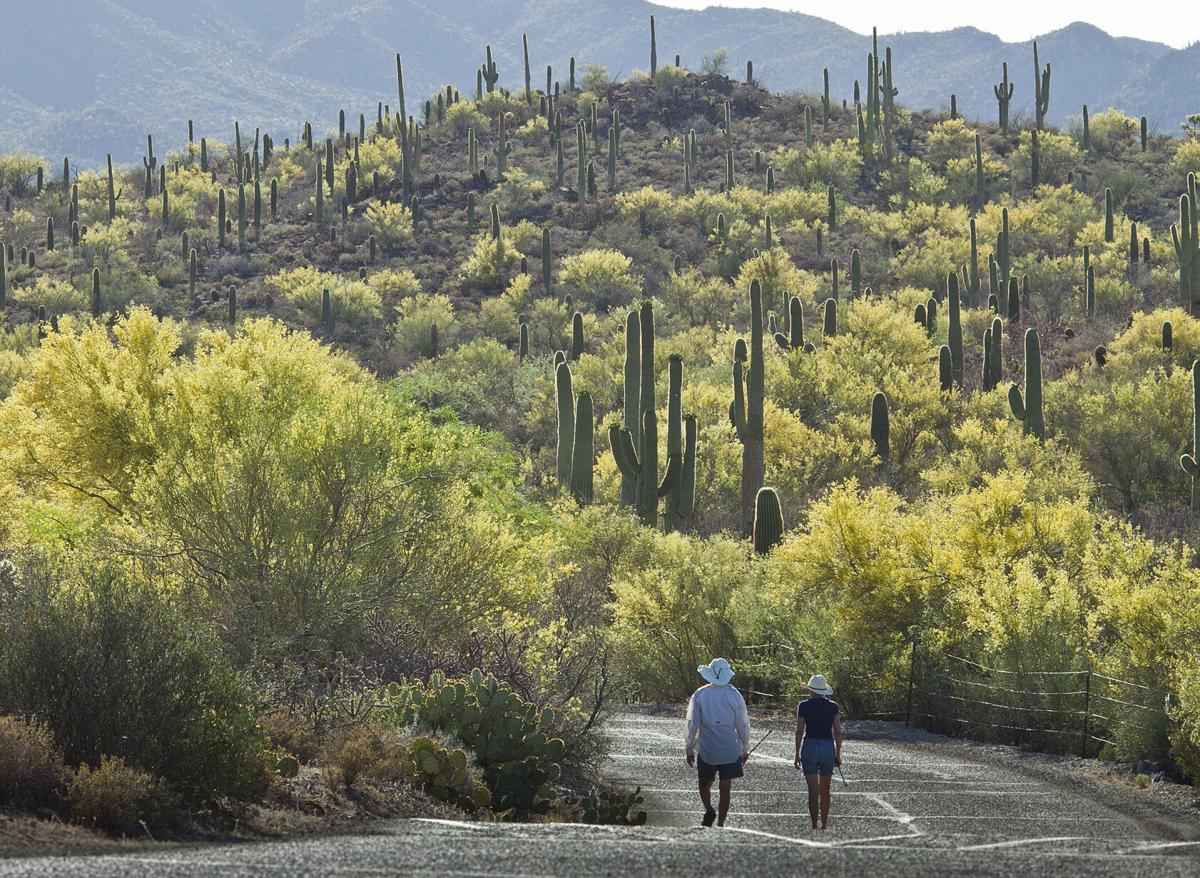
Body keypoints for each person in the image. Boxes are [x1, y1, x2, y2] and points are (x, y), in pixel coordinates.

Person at [685, 657, 751, 828]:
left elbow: (692, 724)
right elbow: (743, 725)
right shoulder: (734, 695)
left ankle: (709, 809)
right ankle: (721, 823)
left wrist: (689, 749)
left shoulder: (700, 694)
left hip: (707, 748)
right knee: (725, 788)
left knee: (704, 783)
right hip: (730, 749)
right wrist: (744, 749)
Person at [793, 674, 842, 830]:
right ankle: (824, 823)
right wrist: (838, 754)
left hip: (810, 746)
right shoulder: (833, 706)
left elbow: (799, 731)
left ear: (810, 690)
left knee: (813, 792)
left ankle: (814, 825)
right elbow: (838, 731)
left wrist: (797, 753)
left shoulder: (803, 705)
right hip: (827, 747)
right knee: (825, 790)